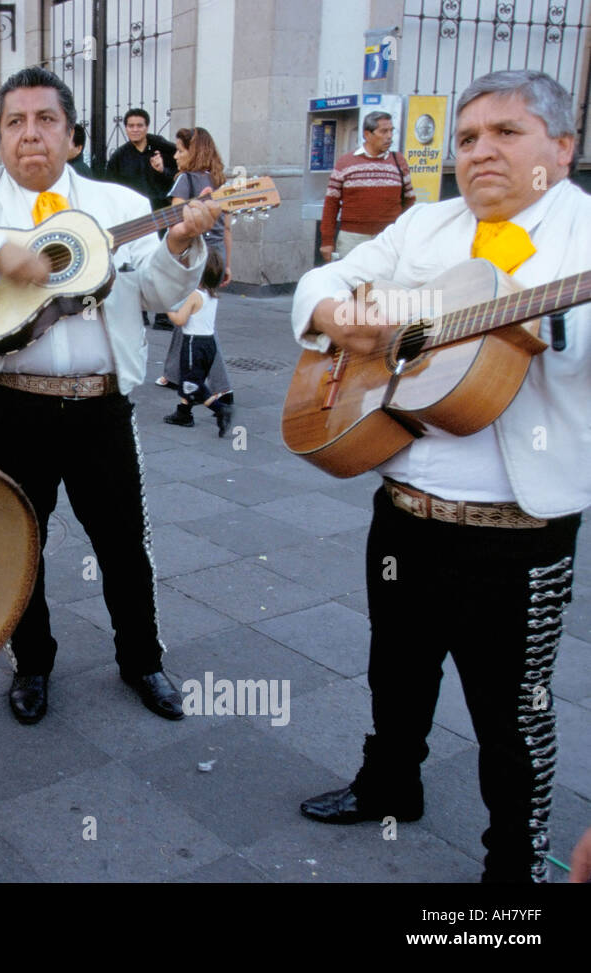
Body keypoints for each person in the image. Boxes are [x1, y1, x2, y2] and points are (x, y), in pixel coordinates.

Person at [293, 70, 590, 883]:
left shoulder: (585, 237)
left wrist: (550, 321)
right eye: (467, 138)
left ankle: (514, 868)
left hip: (517, 533)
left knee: (512, 715)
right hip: (404, 506)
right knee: (396, 665)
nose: (481, 151)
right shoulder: (426, 225)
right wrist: (336, 316)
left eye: (507, 132)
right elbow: (326, 279)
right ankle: (390, 786)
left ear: (562, 148)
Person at [0, 66, 217, 725]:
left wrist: (182, 244)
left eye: (46, 120)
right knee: (20, 539)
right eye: (14, 122)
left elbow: (160, 295)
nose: (30, 134)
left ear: (72, 136)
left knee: (124, 541)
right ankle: (33, 662)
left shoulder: (121, 207)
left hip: (101, 402)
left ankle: (142, 660)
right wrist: (1, 258)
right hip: (6, 400)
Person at [155, 126, 234, 426]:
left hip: (194, 255)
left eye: (179, 150)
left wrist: (170, 260)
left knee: (197, 321)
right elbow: (226, 228)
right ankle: (174, 374)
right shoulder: (218, 181)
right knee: (195, 316)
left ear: (194, 151)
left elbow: (177, 225)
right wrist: (228, 264)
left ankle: (222, 389)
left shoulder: (185, 180)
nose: (175, 156)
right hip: (216, 255)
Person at [319, 110, 415, 261]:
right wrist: (327, 241)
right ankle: (360, 287)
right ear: (367, 134)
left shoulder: (398, 161)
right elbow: (331, 204)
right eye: (383, 131)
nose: (389, 136)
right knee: (355, 282)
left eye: (391, 131)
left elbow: (409, 200)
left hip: (388, 238)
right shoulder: (345, 163)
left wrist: (399, 230)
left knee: (381, 282)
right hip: (353, 239)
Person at [160, 250, 232, 436]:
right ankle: (183, 412)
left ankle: (220, 409)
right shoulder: (212, 294)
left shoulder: (194, 295)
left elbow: (180, 320)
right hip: (209, 344)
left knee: (193, 384)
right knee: (192, 378)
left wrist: (167, 307)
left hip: (193, 343)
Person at [104, 107, 176, 210]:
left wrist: (163, 170)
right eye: (131, 126)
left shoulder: (162, 147)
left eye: (140, 125)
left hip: (161, 210)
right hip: (133, 211)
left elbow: (178, 175)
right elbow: (111, 187)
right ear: (126, 128)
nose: (135, 130)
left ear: (147, 127)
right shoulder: (119, 156)